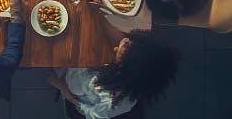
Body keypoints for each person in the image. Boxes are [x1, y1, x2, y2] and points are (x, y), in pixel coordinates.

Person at [48, 14, 179, 119]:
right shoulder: (132, 62)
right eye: (126, 44)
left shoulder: (114, 102)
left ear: (123, 67)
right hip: (80, 65)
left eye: (119, 52)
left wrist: (62, 87)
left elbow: (91, 114)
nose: (116, 48)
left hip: (69, 81)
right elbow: (119, 38)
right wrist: (98, 13)